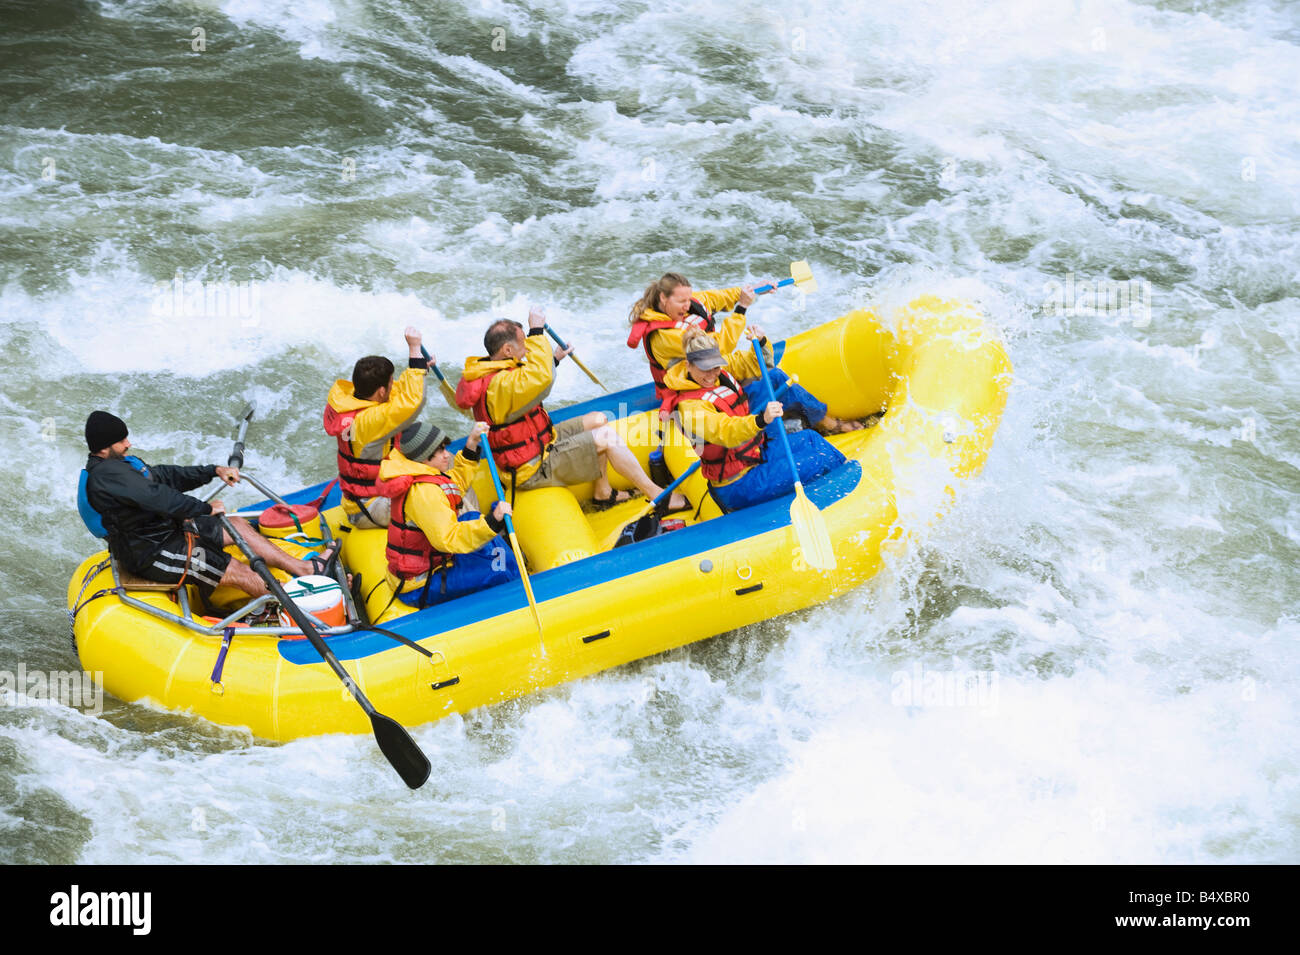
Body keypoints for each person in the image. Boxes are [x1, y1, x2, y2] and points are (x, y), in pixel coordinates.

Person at [456, 305, 687, 510]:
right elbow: (540, 379)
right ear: (507, 350)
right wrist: (536, 331)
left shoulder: (494, 373)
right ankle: (658, 496)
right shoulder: (499, 384)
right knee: (605, 436)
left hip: (542, 442)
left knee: (598, 420)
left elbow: (527, 388)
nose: (527, 347)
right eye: (524, 342)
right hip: (531, 467)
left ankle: (603, 492)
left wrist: (553, 359)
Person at [81, 411, 331, 600]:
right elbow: (157, 497)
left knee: (237, 525)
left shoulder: (121, 465)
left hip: (171, 531)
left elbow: (166, 476)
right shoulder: (106, 475)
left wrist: (213, 471)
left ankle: (305, 568)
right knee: (238, 570)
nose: (128, 443)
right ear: (104, 448)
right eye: (121, 440)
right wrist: (204, 508)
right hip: (152, 552)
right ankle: (307, 603)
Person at [628, 272, 862, 434]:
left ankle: (796, 418)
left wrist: (754, 290)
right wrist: (741, 309)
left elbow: (721, 296)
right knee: (776, 378)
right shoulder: (664, 337)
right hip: (696, 385)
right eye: (681, 301)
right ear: (662, 299)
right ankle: (829, 424)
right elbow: (715, 348)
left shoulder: (688, 303)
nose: (688, 306)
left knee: (764, 369)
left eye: (689, 299)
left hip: (712, 370)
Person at [661, 329, 847, 513]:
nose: (711, 375)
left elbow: (754, 363)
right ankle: (847, 493)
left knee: (811, 438)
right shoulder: (691, 408)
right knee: (821, 458)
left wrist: (761, 342)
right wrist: (761, 420)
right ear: (688, 365)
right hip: (738, 485)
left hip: (755, 456)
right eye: (704, 369)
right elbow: (726, 432)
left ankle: (843, 472)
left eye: (715, 367)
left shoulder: (720, 373)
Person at [376, 420, 518, 607]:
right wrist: (493, 521)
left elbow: (454, 484)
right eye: (441, 451)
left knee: (472, 518)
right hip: (420, 584)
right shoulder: (424, 494)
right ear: (425, 458)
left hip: (436, 558)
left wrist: (471, 444)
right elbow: (448, 539)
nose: (446, 455)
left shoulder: (423, 472)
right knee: (498, 572)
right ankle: (516, 591)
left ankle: (509, 564)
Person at [323, 326, 431, 528]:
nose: (394, 384)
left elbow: (398, 393)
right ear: (381, 391)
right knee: (439, 491)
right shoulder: (368, 421)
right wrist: (414, 350)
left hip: (361, 501)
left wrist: (421, 369)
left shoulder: (349, 401)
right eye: (391, 382)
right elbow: (412, 402)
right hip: (372, 508)